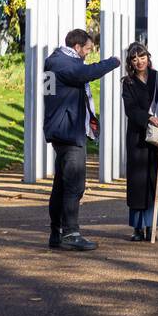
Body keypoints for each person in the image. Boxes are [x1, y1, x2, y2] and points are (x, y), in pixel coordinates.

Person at [43, 29, 120, 252]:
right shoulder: (62, 63)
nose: (87, 54)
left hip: (62, 129)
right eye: (87, 49)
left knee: (61, 185)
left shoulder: (54, 62)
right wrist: (112, 62)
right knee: (74, 185)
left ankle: (56, 233)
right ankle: (71, 233)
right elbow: (85, 73)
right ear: (76, 47)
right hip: (68, 131)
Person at [122, 42, 158, 241]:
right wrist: (149, 118)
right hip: (138, 138)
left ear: (148, 57)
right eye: (134, 58)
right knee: (138, 183)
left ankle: (151, 225)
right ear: (130, 62)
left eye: (142, 57)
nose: (139, 61)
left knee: (154, 180)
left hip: (157, 137)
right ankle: (138, 228)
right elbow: (130, 109)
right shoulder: (128, 82)